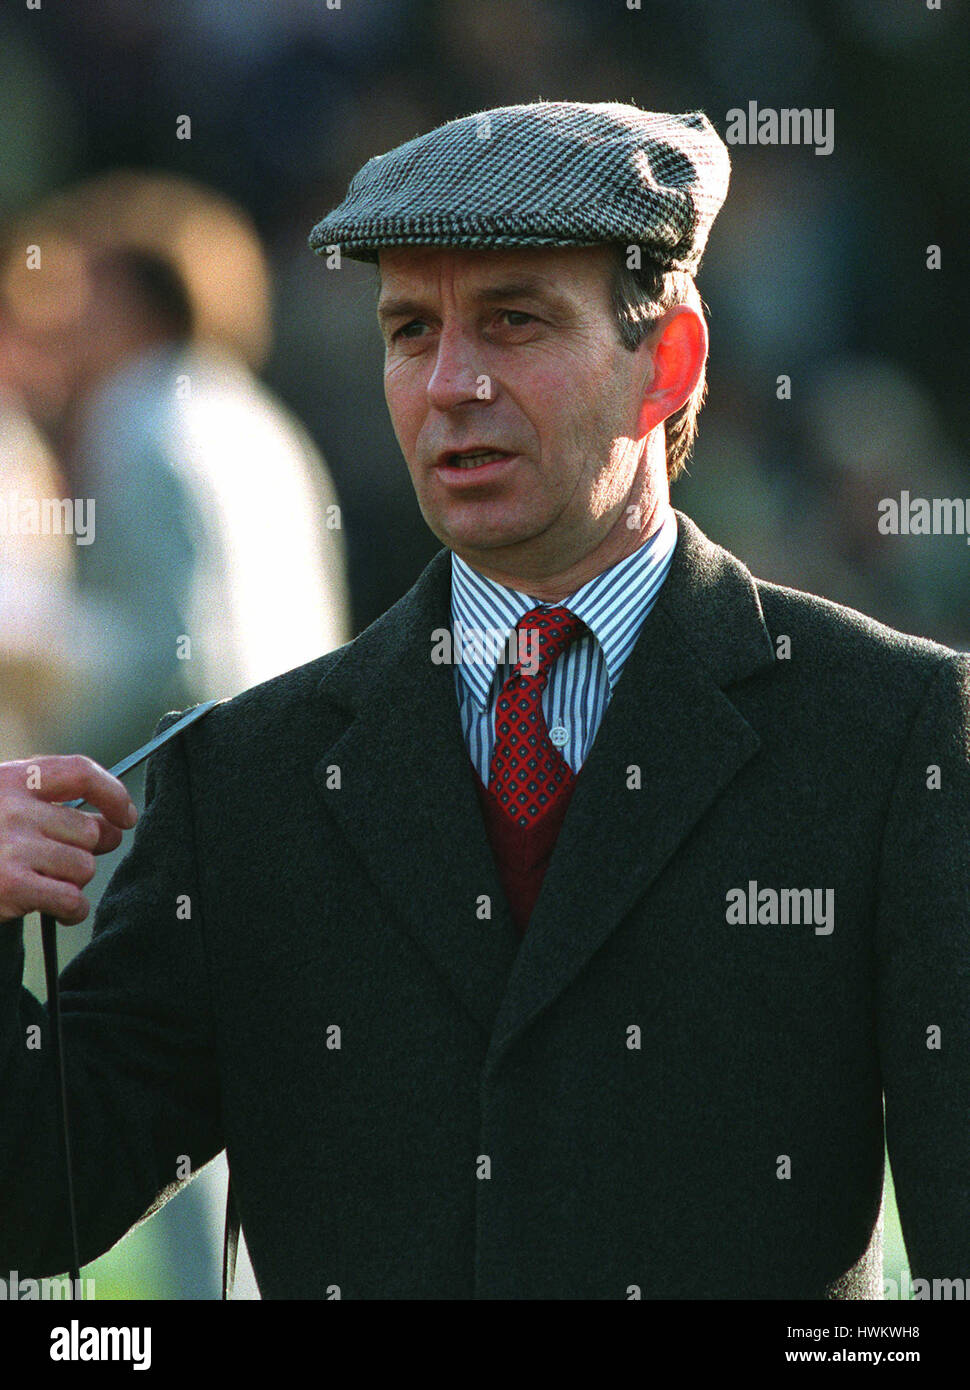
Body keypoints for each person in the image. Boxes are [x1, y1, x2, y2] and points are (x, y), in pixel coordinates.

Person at [0, 101, 967, 1300]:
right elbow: (42, 1199)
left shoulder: (891, 729)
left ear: (666, 361)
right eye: (411, 329)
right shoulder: (246, 776)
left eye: (513, 320)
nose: (451, 382)